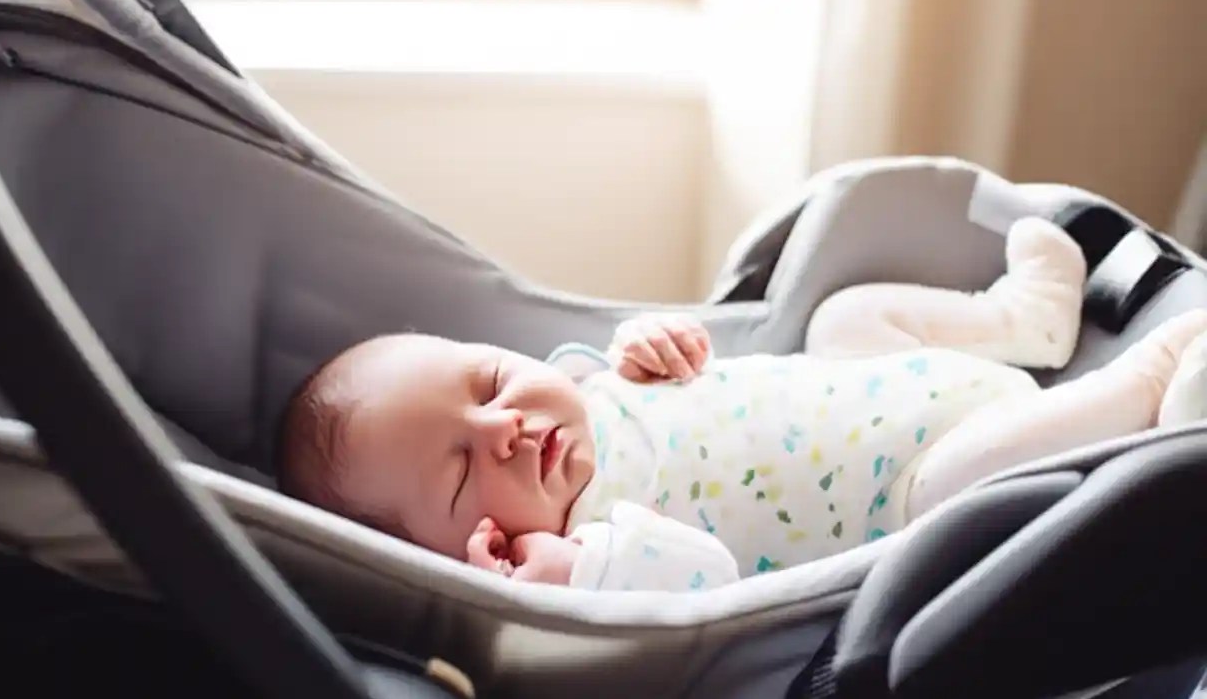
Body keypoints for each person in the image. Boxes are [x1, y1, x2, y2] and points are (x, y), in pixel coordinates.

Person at [276, 218, 1207, 591]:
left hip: (870, 378)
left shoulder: (592, 388)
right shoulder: (589, 540)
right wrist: (579, 571)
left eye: (485, 385)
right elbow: (703, 580)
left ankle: (1023, 322)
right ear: (466, 552)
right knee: (954, 486)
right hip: (913, 481)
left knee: (846, 315)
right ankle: (1167, 373)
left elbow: (702, 371)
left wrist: (651, 344)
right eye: (458, 468)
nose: (503, 427)